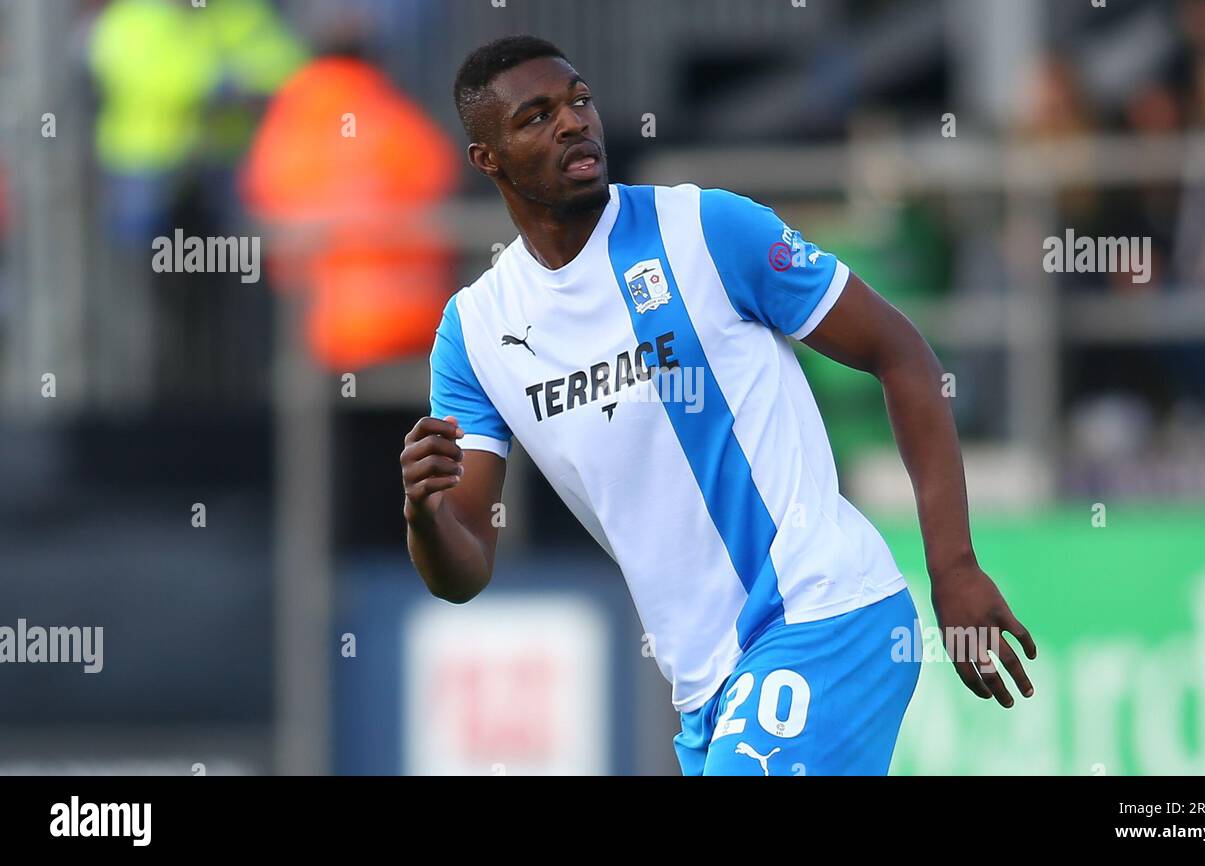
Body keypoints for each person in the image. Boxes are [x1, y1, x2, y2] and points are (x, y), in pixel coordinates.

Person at [400, 36, 1035, 776]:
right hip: (708, 688)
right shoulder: (475, 332)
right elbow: (465, 565)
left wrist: (952, 565)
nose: (573, 123)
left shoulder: (704, 230)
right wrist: (423, 514)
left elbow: (902, 353)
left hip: (820, 615)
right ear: (488, 160)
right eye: (537, 117)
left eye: (578, 100)